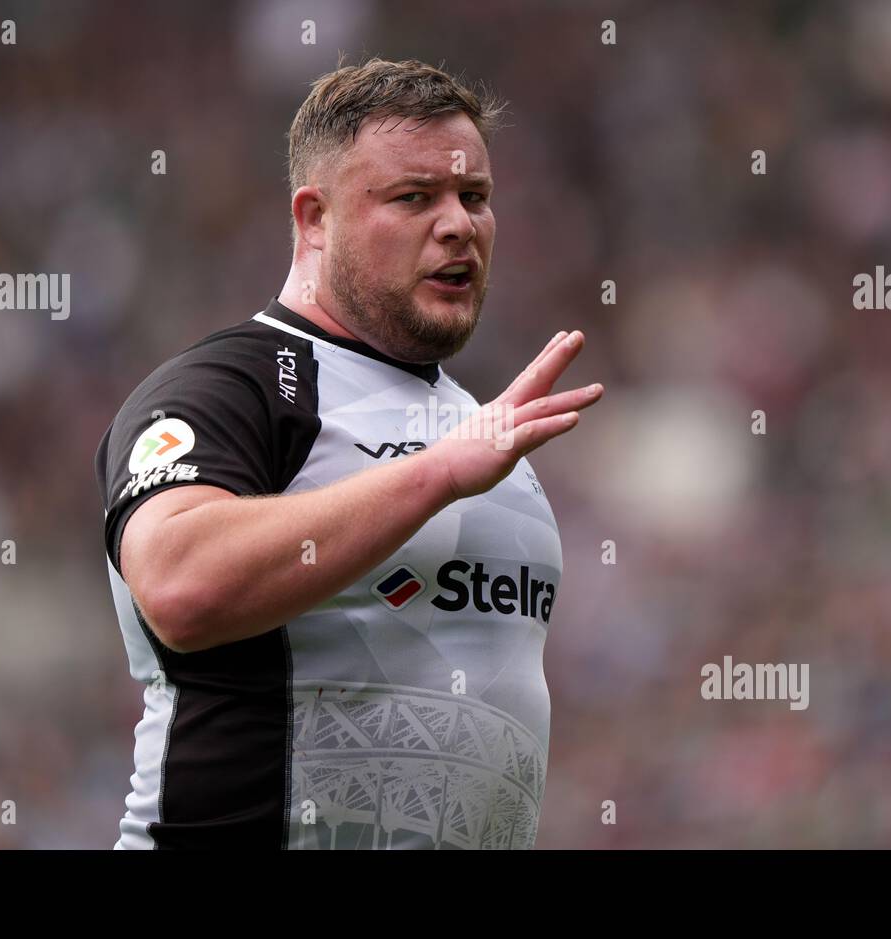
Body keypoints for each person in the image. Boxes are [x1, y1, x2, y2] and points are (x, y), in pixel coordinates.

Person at [95, 57, 603, 849]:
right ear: (314, 218)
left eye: (475, 197)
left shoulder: (475, 421)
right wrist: (435, 474)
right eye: (413, 198)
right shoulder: (232, 385)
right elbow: (179, 583)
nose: (458, 224)